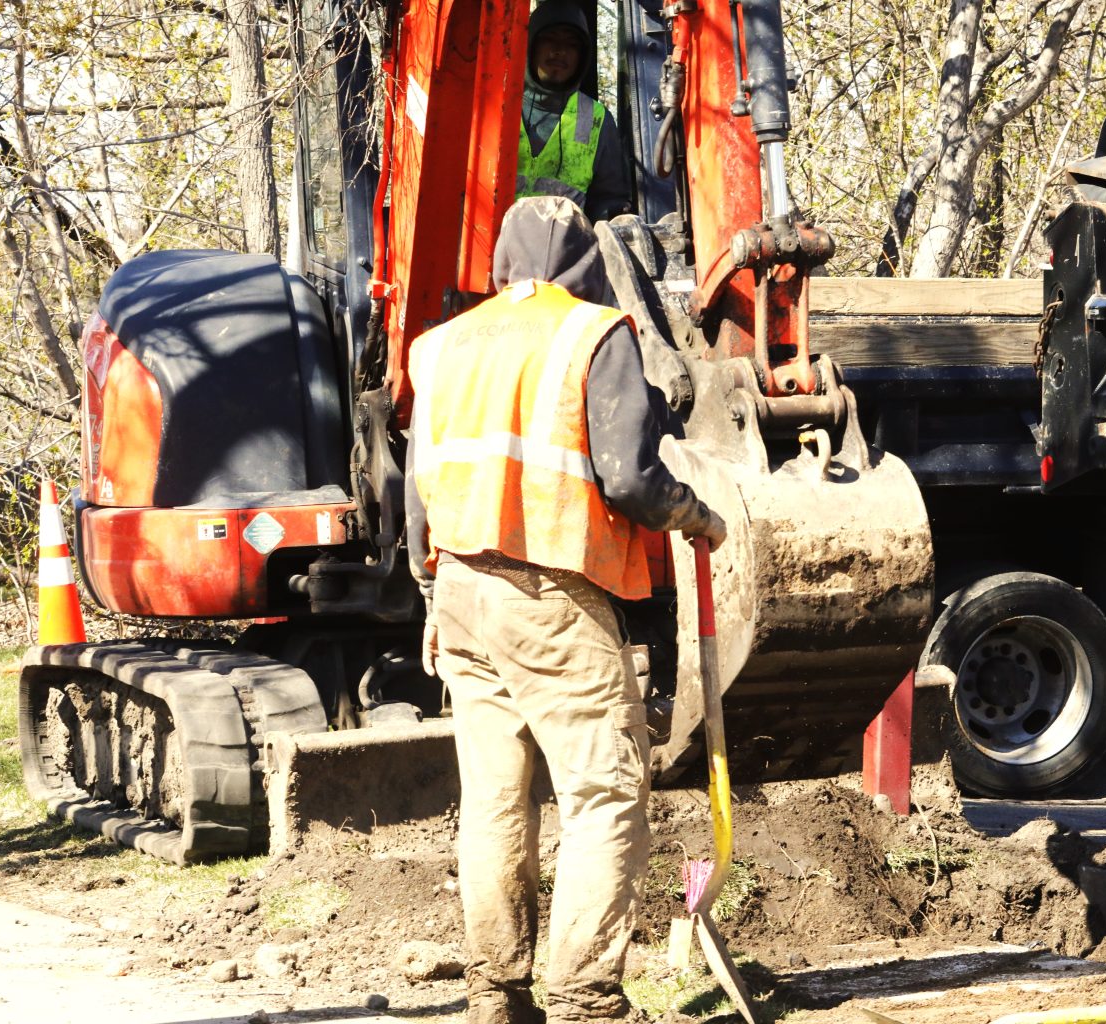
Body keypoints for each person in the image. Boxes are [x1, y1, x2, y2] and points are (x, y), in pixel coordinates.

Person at [405, 195, 726, 1024]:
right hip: (548, 595)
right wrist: (695, 514)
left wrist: (431, 594)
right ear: (586, 265)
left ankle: (495, 995)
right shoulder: (593, 333)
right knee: (604, 794)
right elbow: (629, 478)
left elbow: (418, 491)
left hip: (461, 593)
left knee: (495, 799)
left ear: (504, 263)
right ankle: (585, 997)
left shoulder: (441, 347)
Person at [517, 0, 633, 222]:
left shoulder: (596, 119)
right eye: (550, 39)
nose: (560, 51)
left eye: (571, 44)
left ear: (582, 57)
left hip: (566, 244)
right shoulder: (497, 105)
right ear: (530, 44)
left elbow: (609, 203)